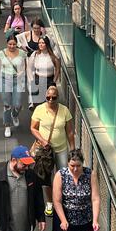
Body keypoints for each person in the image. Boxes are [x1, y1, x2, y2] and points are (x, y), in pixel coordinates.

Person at [31, 86, 75, 217]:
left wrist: (72, 149)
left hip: (61, 149)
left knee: (63, 175)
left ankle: (61, 201)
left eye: (54, 98)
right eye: (48, 97)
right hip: (45, 151)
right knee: (45, 177)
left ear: (58, 98)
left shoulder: (64, 111)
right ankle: (50, 202)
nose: (50, 100)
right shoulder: (39, 110)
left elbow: (69, 131)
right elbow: (33, 128)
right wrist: (43, 141)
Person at [48, 150, 101, 231]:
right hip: (67, 221)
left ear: (83, 163)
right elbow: (57, 201)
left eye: (78, 166)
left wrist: (95, 220)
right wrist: (63, 220)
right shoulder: (60, 175)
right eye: (72, 166)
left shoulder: (90, 174)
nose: (75, 169)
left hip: (86, 220)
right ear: (67, 163)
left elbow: (95, 199)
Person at [0, 34, 27, 138]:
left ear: (17, 44)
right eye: (10, 44)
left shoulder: (22, 53)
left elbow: (25, 66)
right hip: (4, 79)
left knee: (17, 104)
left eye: (14, 44)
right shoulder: (1, 53)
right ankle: (7, 125)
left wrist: (21, 72)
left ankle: (15, 115)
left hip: (17, 80)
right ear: (6, 43)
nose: (12, 46)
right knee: (7, 104)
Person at [27, 36, 61, 109]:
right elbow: (29, 68)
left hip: (49, 81)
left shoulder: (53, 56)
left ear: (47, 44)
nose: (41, 45)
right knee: (37, 104)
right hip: (37, 80)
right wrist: (31, 80)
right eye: (39, 43)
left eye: (43, 43)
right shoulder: (35, 54)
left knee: (48, 103)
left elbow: (58, 70)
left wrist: (54, 82)